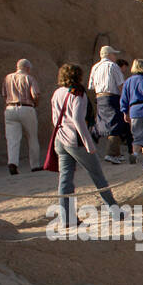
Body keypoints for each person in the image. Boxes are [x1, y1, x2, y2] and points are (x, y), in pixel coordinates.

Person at [50, 63, 118, 231]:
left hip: (61, 138)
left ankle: (67, 217)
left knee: (65, 179)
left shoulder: (57, 92)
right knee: (98, 176)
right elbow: (78, 119)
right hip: (76, 140)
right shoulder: (78, 94)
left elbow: (54, 117)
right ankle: (115, 211)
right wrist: (89, 143)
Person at [2, 58, 42, 175]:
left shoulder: (7, 78)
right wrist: (35, 104)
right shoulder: (29, 78)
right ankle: (35, 165)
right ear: (27, 68)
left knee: (12, 139)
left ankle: (12, 163)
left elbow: (4, 95)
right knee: (32, 137)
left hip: (10, 108)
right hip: (26, 107)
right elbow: (35, 94)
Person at [89, 45, 127, 165]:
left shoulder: (95, 67)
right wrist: (125, 99)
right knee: (116, 124)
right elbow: (121, 84)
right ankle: (111, 153)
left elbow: (91, 86)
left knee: (103, 123)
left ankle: (116, 153)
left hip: (100, 97)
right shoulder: (113, 66)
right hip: (112, 97)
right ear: (109, 55)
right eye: (114, 54)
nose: (115, 57)